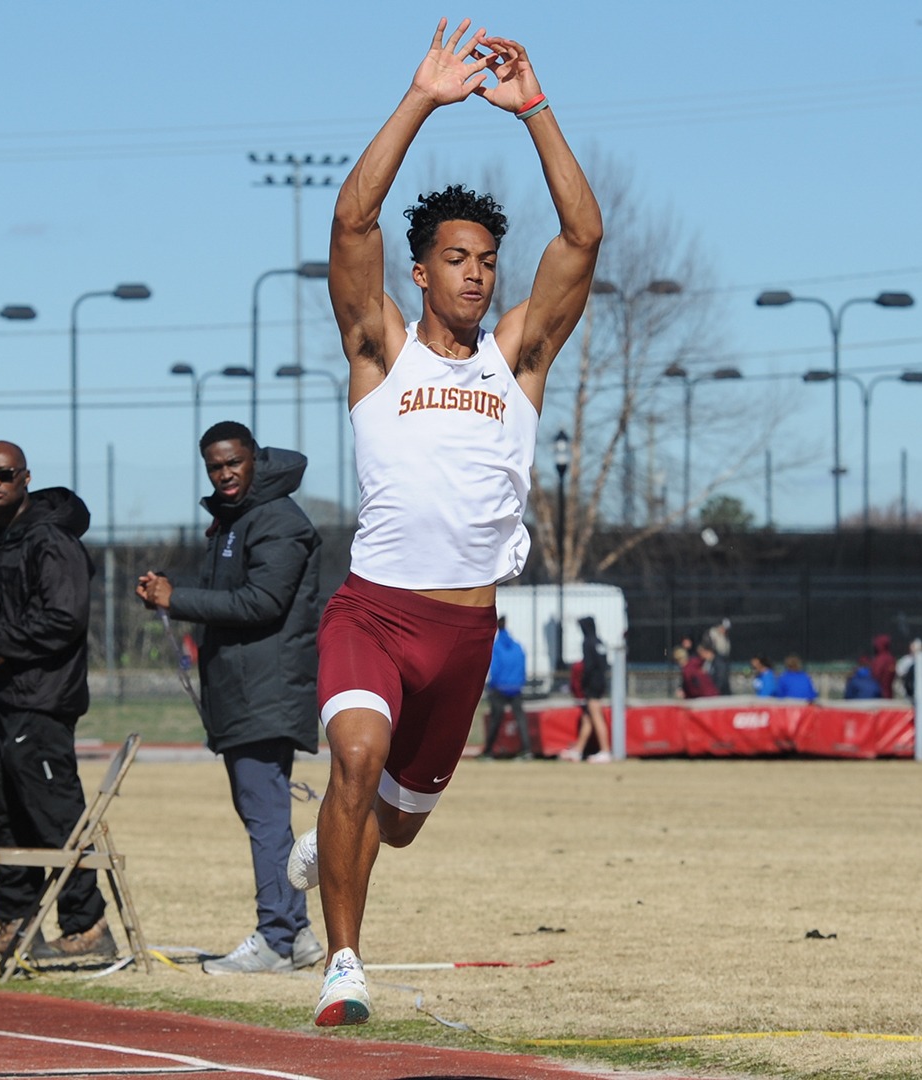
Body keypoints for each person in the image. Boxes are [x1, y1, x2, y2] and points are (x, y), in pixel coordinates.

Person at [287, 19, 602, 1027]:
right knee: (355, 761)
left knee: (398, 824)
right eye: (457, 258)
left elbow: (583, 239)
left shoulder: (519, 360)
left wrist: (534, 109)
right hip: (373, 614)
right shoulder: (381, 349)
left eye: (487, 261)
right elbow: (353, 221)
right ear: (420, 273)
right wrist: (422, 98)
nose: (477, 274)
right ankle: (344, 963)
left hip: (465, 632)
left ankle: (330, 844)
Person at [135, 420, 324, 976]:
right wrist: (169, 592)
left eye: (233, 463)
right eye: (214, 467)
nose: (224, 475)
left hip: (265, 692)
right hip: (242, 692)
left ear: (254, 459)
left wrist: (177, 599)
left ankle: (277, 938)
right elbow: (227, 594)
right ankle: (298, 934)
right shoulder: (236, 519)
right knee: (264, 815)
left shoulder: (278, 519)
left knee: (265, 817)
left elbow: (262, 601)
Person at [0, 441, 115, 963]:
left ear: (25, 478)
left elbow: (64, 620)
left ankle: (87, 926)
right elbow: (1, 622)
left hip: (43, 700)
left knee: (53, 812)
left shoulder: (52, 540)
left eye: (3, 473)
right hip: (1, 697)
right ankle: (16, 920)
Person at [561, 616, 612, 761]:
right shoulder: (599, 642)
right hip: (600, 683)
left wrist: (583, 683)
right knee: (587, 719)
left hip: (592, 685)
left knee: (596, 717)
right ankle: (578, 750)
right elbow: (604, 664)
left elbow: (588, 666)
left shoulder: (587, 642)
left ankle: (605, 751)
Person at [481, 615, 530, 758]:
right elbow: (522, 665)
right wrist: (520, 682)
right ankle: (527, 750)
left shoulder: (496, 646)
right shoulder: (517, 646)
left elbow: (494, 668)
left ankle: (489, 751)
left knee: (495, 720)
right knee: (520, 719)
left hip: (499, 687)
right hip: (515, 686)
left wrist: (492, 685)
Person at [705, 619, 734, 695]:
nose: (725, 630)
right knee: (719, 677)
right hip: (716, 658)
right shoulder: (712, 633)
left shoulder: (725, 636)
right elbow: (708, 646)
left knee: (724, 678)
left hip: (724, 659)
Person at [869, 634, 896, 699]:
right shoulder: (890, 658)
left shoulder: (880, 659)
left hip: (879, 693)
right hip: (887, 693)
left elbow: (876, 674)